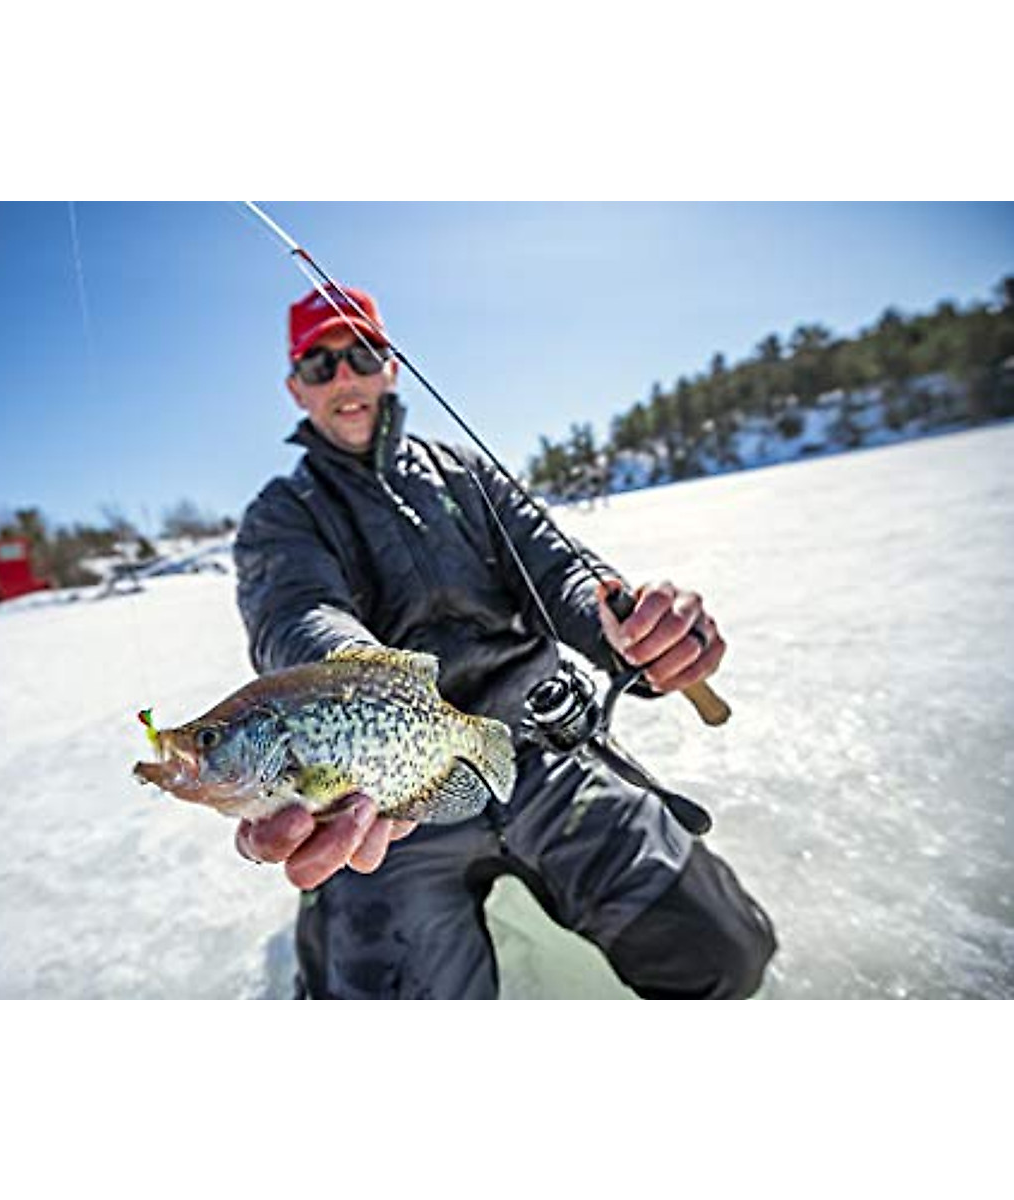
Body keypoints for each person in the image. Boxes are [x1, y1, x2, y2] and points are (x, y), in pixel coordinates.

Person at [232, 284, 777, 999]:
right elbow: (295, 613)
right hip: (396, 795)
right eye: (319, 364)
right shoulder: (280, 516)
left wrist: (630, 629)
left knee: (723, 949)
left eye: (361, 354)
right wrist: (354, 689)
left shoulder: (467, 472)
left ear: (390, 365)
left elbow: (558, 569)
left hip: (541, 757)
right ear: (295, 388)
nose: (345, 379)